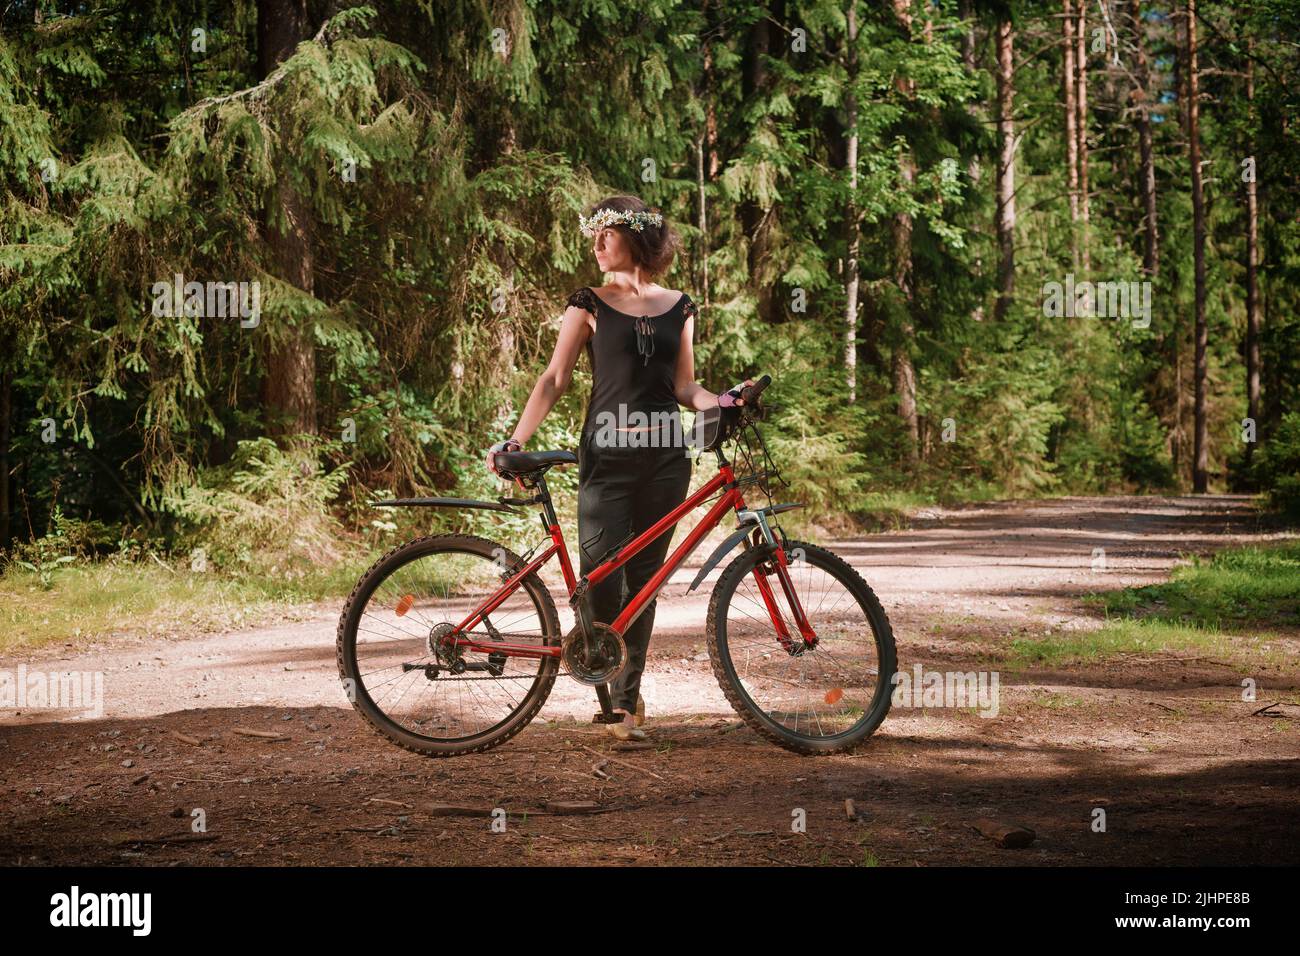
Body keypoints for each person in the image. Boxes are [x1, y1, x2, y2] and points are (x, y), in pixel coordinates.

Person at [485, 194, 748, 740]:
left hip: (666, 462)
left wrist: (719, 403)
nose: (597, 243)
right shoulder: (589, 303)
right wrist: (516, 438)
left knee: (645, 585)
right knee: (600, 581)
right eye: (594, 234)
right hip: (606, 458)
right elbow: (554, 378)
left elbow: (683, 386)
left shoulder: (680, 307)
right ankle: (603, 675)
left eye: (607, 231)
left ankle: (623, 705)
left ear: (638, 237)